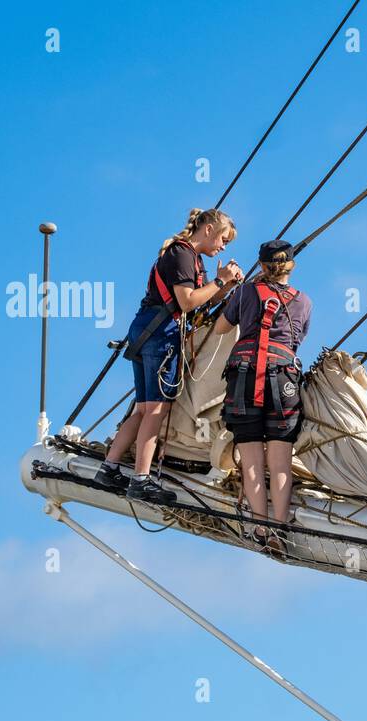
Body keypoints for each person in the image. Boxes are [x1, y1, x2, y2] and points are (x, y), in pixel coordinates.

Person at [96, 208, 242, 503]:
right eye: (224, 239)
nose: (224, 247)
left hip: (148, 330)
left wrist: (224, 286)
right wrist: (219, 281)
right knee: (155, 411)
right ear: (210, 228)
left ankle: (108, 468)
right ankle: (141, 480)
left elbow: (198, 302)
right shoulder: (183, 254)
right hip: (160, 335)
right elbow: (187, 303)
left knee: (142, 408)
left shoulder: (190, 258)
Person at [212, 239, 313, 546]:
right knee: (280, 463)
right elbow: (297, 342)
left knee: (253, 463)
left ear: (262, 265)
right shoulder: (304, 301)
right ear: (290, 266)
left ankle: (260, 528)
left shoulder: (245, 292)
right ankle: (280, 529)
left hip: (244, 378)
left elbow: (220, 328)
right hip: (283, 378)